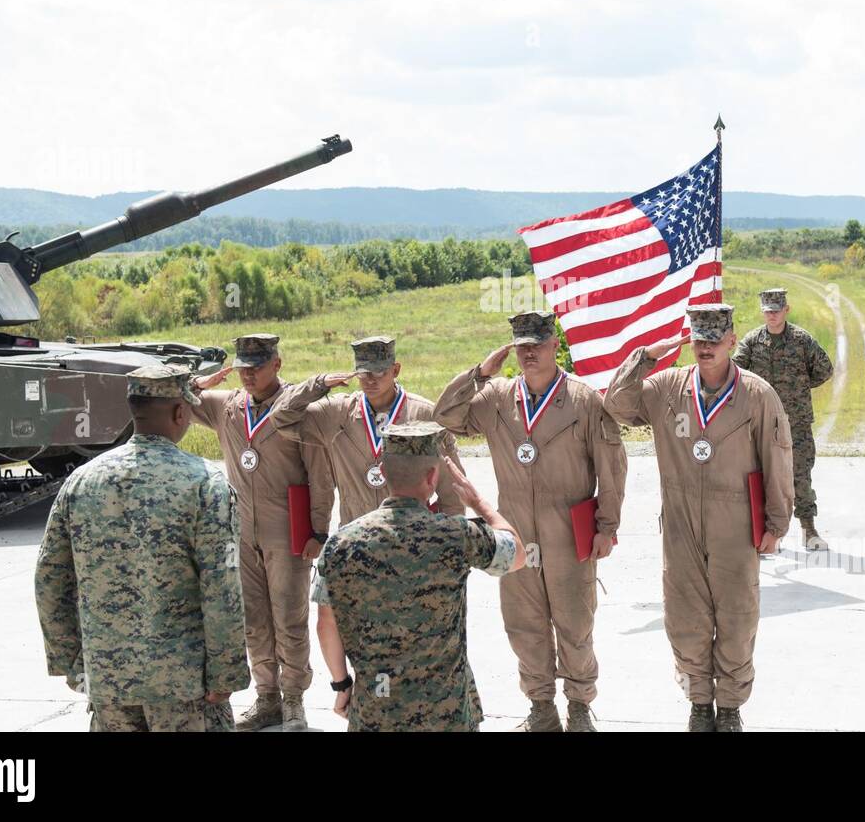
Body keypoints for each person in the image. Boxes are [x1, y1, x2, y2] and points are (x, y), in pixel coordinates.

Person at [433, 311, 627, 732]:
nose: (529, 353)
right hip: (514, 531)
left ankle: (578, 709)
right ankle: (541, 709)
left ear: (555, 344)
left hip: (568, 532)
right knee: (524, 624)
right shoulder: (496, 398)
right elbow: (445, 416)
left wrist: (607, 527)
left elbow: (610, 467)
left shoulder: (583, 399)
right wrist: (479, 373)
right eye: (521, 347)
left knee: (575, 625)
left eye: (537, 345)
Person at [604, 304, 793, 732]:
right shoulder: (667, 388)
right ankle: (699, 703)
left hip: (736, 522)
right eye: (699, 339)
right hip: (681, 520)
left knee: (737, 617)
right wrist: (646, 357)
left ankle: (728, 708)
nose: (705, 348)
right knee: (684, 617)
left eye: (714, 339)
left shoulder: (757, 394)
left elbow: (778, 458)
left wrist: (776, 523)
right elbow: (616, 404)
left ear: (731, 341)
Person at [34, 364, 249, 732]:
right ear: (181, 412)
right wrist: (226, 673)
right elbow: (221, 589)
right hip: (184, 686)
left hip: (108, 683)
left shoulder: (82, 481)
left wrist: (72, 663)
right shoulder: (204, 483)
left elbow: (50, 580)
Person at [313, 422, 525, 731]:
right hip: (446, 711)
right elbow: (517, 554)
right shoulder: (456, 535)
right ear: (432, 477)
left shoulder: (341, 542)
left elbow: (326, 622)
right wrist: (480, 505)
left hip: (377, 707)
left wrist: (341, 684)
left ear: (383, 473)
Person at [189, 333, 346, 731]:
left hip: (287, 531)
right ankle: (266, 698)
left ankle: (294, 700)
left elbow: (320, 476)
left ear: (277, 364)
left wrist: (318, 531)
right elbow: (173, 399)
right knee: (253, 620)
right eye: (242, 368)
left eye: (256, 367)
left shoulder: (297, 412)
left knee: (289, 617)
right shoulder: (226, 407)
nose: (248, 375)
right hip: (241, 532)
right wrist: (201, 382)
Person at [269, 335, 466, 525]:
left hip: (411, 542)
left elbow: (453, 489)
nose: (371, 380)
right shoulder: (338, 413)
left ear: (395, 370)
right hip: (357, 540)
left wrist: (445, 537)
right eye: (364, 373)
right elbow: (280, 418)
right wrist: (318, 384)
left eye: (380, 372)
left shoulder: (424, 414)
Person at [732, 288, 834, 550]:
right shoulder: (753, 341)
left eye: (776, 310)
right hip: (761, 421)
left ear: (786, 310)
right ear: (762, 311)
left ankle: (809, 530)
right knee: (761, 475)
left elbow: (824, 369)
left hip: (795, 421)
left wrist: (797, 389)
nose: (772, 315)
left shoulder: (802, 340)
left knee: (799, 474)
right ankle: (768, 535)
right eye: (768, 311)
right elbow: (735, 373)